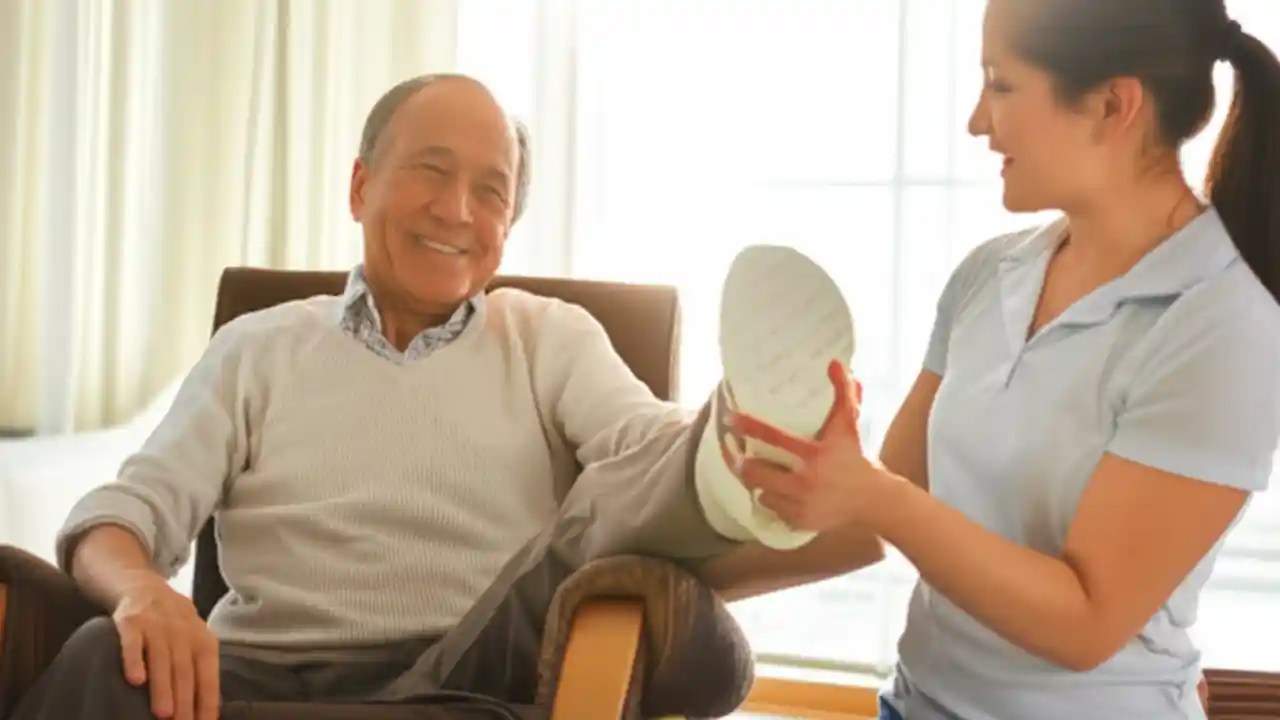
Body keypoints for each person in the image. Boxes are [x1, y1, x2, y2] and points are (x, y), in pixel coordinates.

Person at [13, 73, 885, 720]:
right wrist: (140, 591)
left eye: (490, 191)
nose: (457, 210)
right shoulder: (261, 345)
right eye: (431, 171)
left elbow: (634, 444)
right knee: (100, 656)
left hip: (461, 681)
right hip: (246, 690)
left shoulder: (548, 334)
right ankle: (725, 461)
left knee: (600, 517)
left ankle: (735, 452)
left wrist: (707, 447)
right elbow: (122, 516)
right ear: (362, 188)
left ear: (507, 228)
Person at [728, 1, 1280, 718]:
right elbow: (883, 503)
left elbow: (1085, 622)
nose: (977, 122)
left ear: (1113, 105)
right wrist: (677, 554)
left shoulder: (1225, 324)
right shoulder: (990, 274)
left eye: (1001, 84)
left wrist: (874, 494)